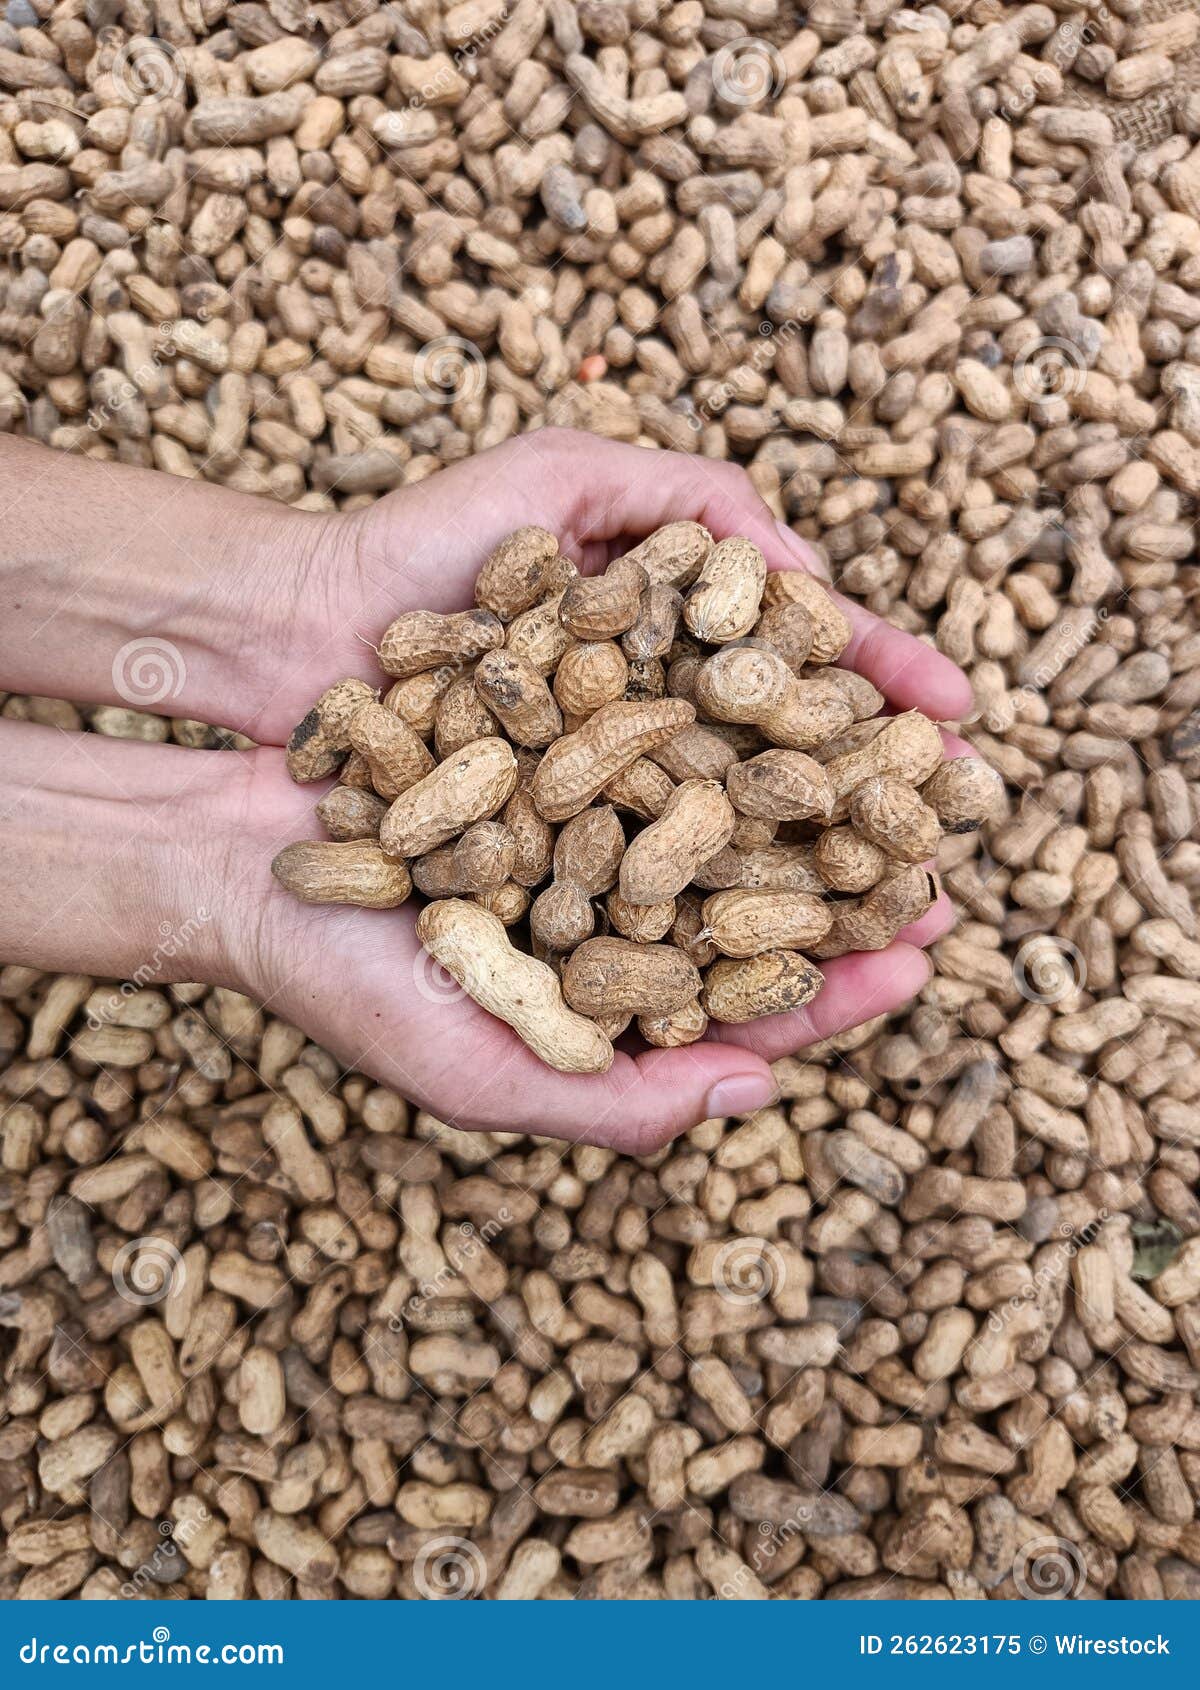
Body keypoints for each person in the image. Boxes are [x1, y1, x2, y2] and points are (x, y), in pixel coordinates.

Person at [0, 427, 973, 1150]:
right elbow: (530, 791)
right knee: (556, 825)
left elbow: (618, 838)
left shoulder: (722, 794)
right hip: (526, 818)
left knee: (671, 852)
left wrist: (293, 589)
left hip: (598, 834)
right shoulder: (512, 744)